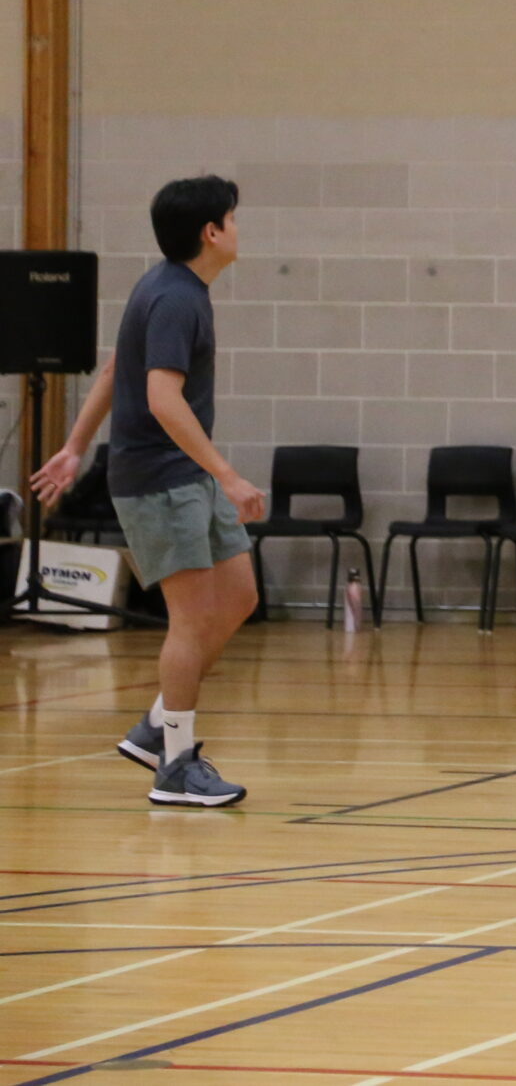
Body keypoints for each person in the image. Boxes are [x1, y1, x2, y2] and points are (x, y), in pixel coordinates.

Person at [32, 177, 265, 807]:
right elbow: (161, 398)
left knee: (239, 595)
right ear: (211, 233)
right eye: (233, 219)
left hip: (184, 476)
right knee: (189, 622)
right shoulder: (175, 297)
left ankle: (156, 726)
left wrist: (75, 445)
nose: (239, 229)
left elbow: (114, 367)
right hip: (162, 480)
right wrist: (228, 474)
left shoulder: (171, 285)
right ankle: (177, 765)